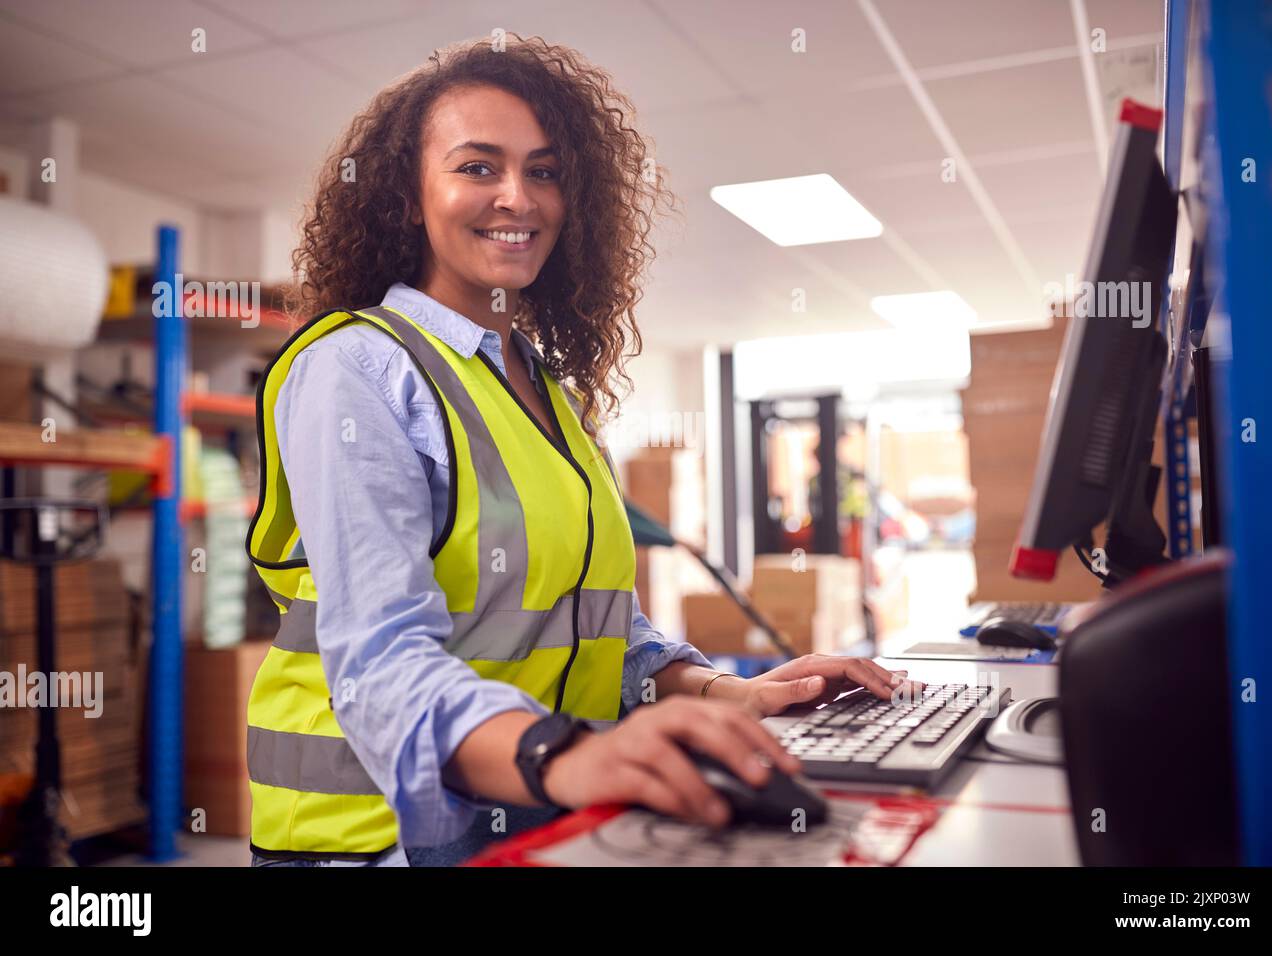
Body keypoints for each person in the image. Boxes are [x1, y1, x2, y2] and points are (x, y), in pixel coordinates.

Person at [245, 34, 917, 867]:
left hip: (532, 812)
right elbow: (379, 657)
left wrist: (730, 692)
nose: (518, 197)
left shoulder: (543, 392)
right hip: (373, 839)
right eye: (478, 167)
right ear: (407, 199)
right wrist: (564, 755)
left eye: (545, 171)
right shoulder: (354, 370)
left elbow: (600, 627)